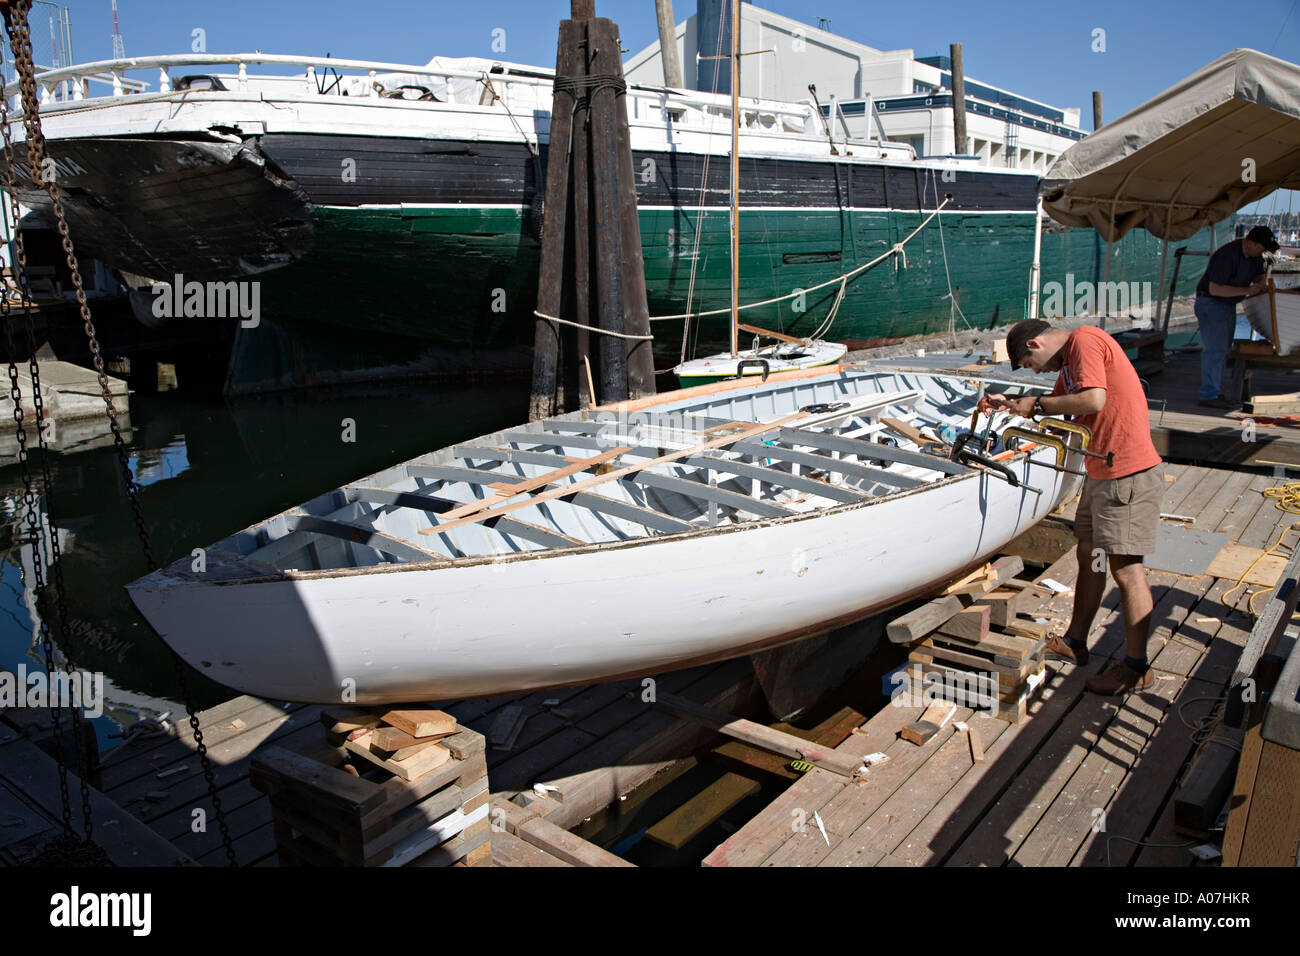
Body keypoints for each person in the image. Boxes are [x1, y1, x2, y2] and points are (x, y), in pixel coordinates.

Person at [983, 319, 1164, 695]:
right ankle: (1077, 643)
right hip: (1101, 472)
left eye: (1031, 364)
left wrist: (1036, 406)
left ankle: (1136, 667)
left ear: (1035, 343)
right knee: (1090, 555)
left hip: (1127, 473)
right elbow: (1065, 415)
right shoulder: (1068, 362)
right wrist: (1015, 406)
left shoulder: (1085, 341)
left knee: (1127, 570)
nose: (1037, 370)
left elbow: (1093, 399)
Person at [1194, 225, 1278, 408]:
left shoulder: (1255, 256)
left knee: (1222, 349)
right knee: (1215, 350)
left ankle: (1213, 391)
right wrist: (1247, 290)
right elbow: (1214, 288)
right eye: (1260, 248)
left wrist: (1260, 283)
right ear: (1250, 242)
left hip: (1226, 304)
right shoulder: (1226, 255)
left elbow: (1259, 275)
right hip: (1211, 303)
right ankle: (1209, 395)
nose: (1262, 252)